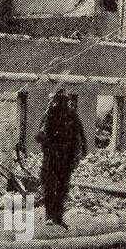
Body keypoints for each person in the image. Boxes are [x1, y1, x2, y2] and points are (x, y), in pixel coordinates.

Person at [34, 89, 88, 227]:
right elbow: (39, 136)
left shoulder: (72, 115)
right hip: (52, 159)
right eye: (60, 100)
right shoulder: (49, 115)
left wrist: (80, 154)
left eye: (64, 100)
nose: (62, 103)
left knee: (62, 188)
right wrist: (48, 145)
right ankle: (50, 216)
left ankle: (58, 217)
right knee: (50, 187)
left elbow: (80, 136)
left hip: (66, 159)